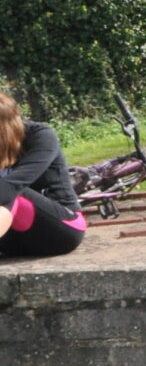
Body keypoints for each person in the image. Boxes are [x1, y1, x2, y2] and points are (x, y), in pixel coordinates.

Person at [0, 91, 86, 259]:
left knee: (12, 192)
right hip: (15, 241)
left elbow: (12, 187)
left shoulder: (41, 136)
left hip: (61, 230)